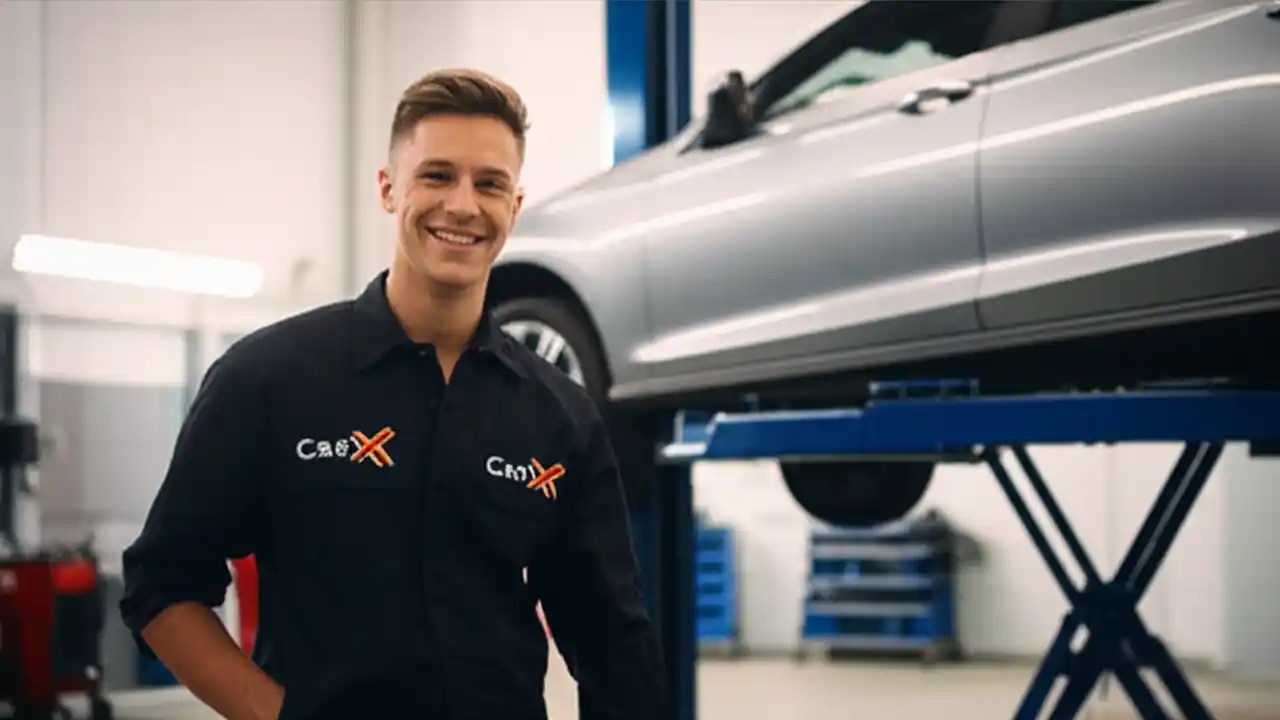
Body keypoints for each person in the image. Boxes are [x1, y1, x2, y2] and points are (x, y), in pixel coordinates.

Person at [120, 67, 668, 720]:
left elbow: (610, 635)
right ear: (388, 188)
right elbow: (163, 586)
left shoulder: (559, 415)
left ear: (514, 208)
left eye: (489, 183)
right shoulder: (269, 378)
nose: (463, 205)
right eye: (437, 175)